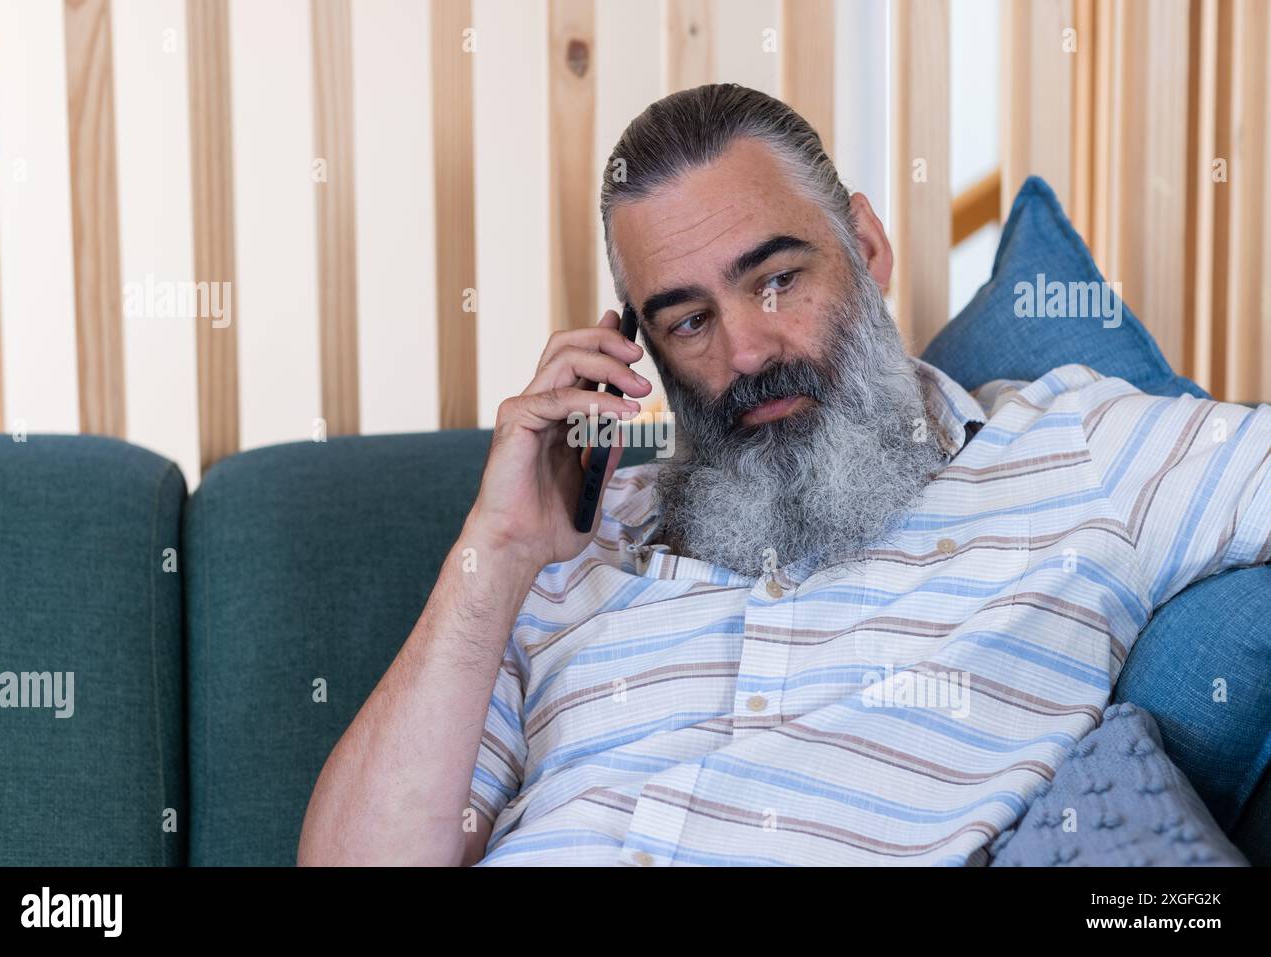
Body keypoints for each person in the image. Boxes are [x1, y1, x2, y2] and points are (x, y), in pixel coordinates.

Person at [298, 84, 1271, 866]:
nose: (747, 350)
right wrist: (496, 552)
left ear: (868, 244)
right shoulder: (565, 548)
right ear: (639, 350)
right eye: (686, 320)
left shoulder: (1076, 451)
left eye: (776, 279)